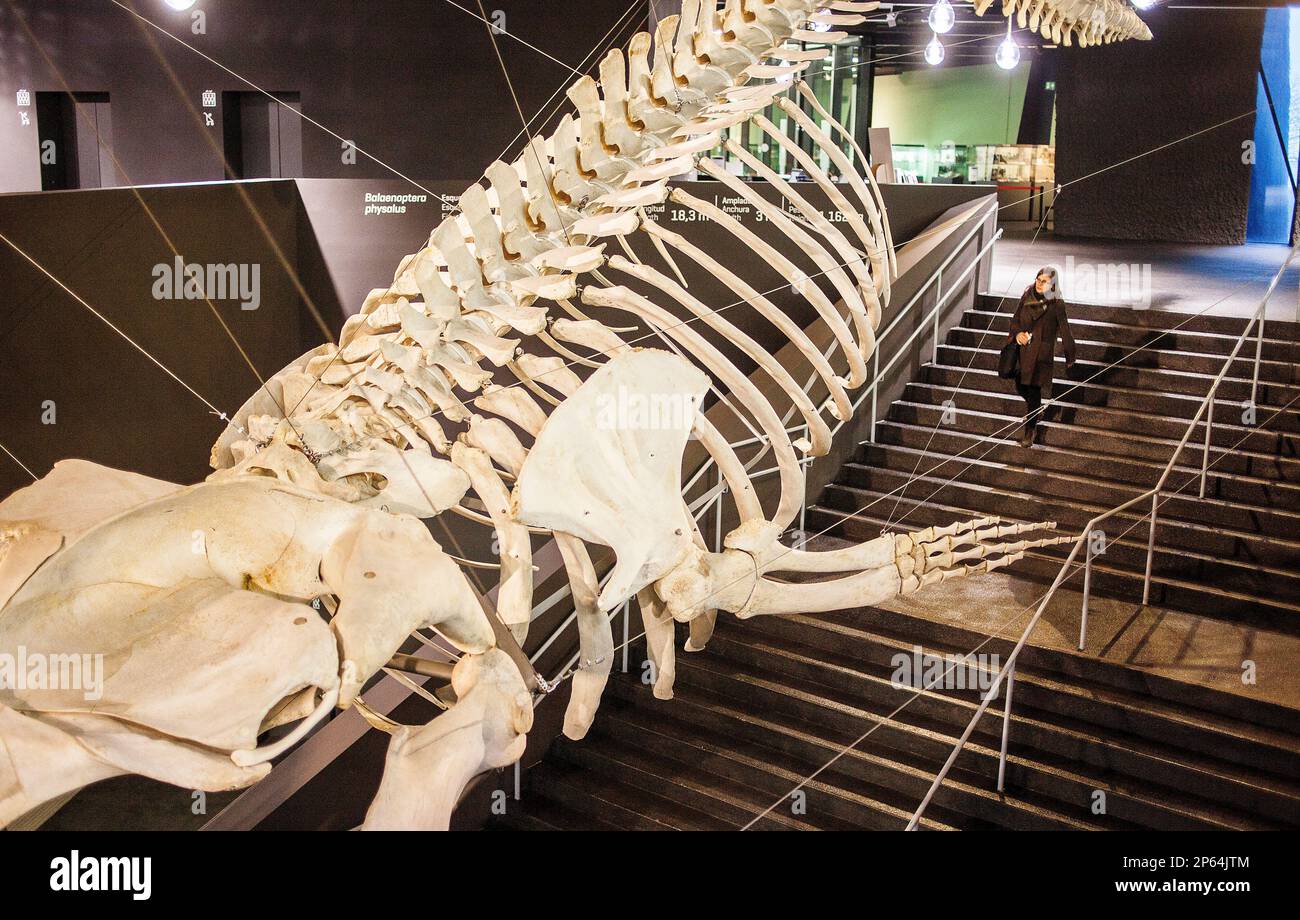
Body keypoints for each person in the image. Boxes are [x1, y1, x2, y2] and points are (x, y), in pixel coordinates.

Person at [1007, 266, 1076, 448]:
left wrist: (1070, 356)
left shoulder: (1057, 304)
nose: (1039, 283)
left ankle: (1030, 431)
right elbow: (1014, 321)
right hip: (1023, 352)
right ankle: (1035, 412)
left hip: (1041, 357)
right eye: (1038, 279)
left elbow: (1065, 331)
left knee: (1033, 391)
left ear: (1052, 284)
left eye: (1044, 281)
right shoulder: (1027, 295)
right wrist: (1017, 334)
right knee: (1021, 386)